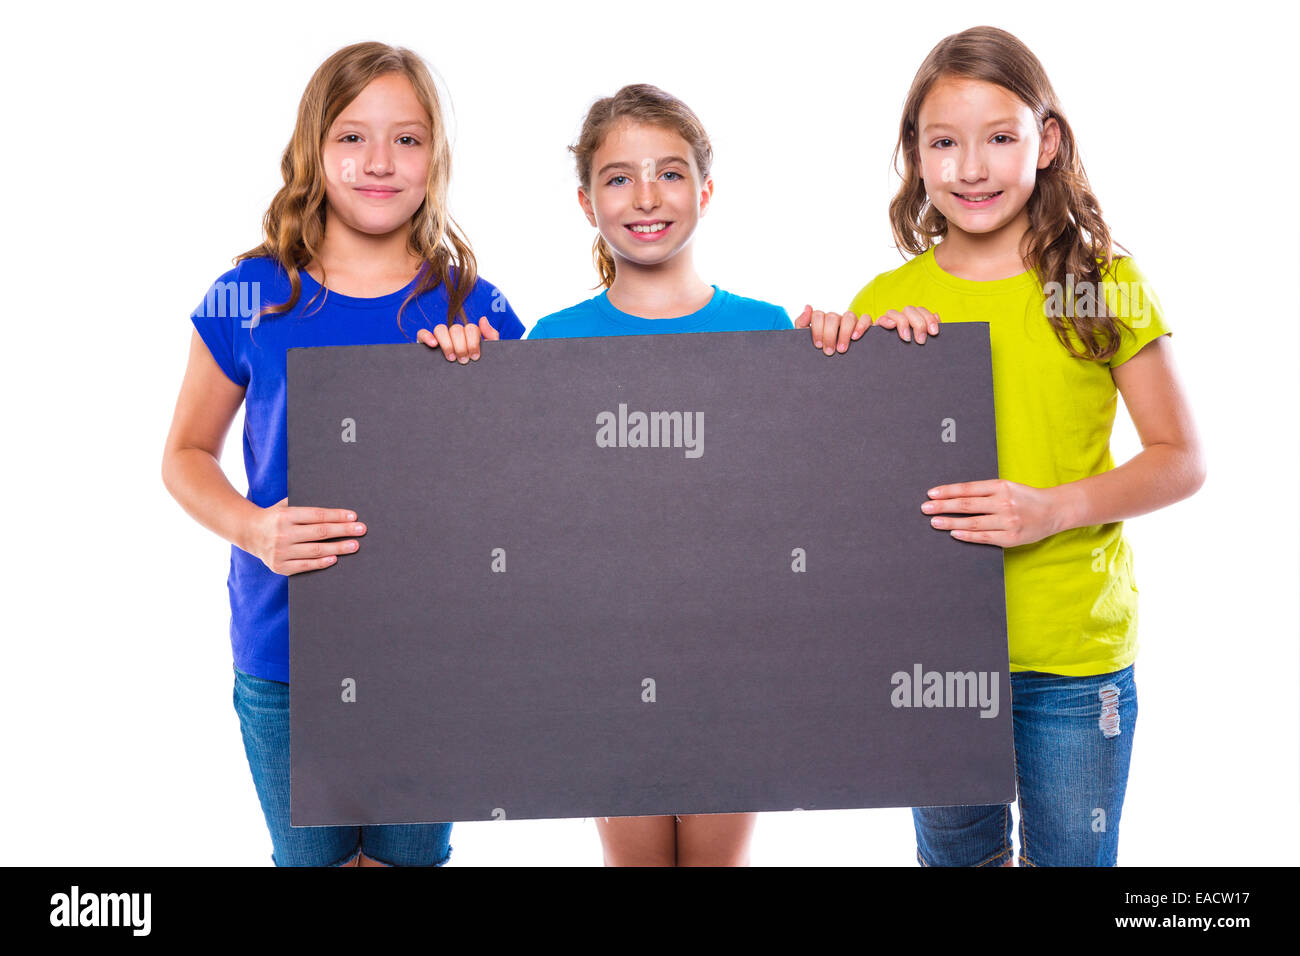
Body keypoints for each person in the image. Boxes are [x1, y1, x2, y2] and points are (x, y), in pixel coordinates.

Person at [803, 25, 1205, 866]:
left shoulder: (1101, 285)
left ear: (1047, 141)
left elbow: (1180, 457)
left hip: (1071, 657)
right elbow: (840, 492)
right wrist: (839, 358)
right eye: (943, 142)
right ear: (915, 153)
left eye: (1000, 138)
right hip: (933, 653)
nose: (970, 168)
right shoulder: (888, 299)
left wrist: (1050, 508)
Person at [161, 41, 524, 866]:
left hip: (432, 652)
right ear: (314, 150)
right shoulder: (249, 293)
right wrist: (254, 529)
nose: (379, 163)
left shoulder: (478, 307)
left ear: (436, 156)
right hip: (285, 653)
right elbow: (184, 453)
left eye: (407, 138)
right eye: (353, 137)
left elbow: (525, 492)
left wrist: (481, 391)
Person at [525, 83, 797, 866]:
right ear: (586, 202)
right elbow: (534, 512)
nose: (646, 197)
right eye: (619, 178)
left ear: (705, 191)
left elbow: (795, 498)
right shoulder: (551, 341)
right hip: (606, 662)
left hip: (732, 660)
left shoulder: (767, 330)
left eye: (670, 174)